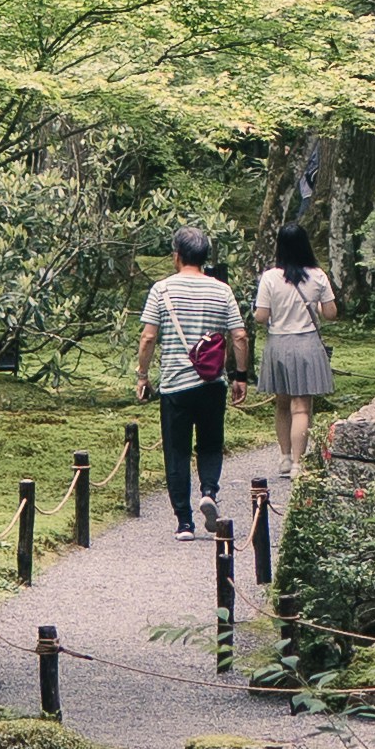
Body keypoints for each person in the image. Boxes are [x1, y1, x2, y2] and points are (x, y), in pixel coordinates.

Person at [136, 217, 247, 534]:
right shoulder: (222, 291)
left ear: (176, 255)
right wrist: (240, 376)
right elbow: (239, 336)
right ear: (205, 257)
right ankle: (209, 492)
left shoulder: (162, 290)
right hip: (212, 384)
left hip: (175, 384)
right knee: (211, 444)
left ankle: (184, 521)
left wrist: (143, 376)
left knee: (177, 451)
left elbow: (147, 338)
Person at [251, 222, 336, 479]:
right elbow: (331, 313)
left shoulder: (270, 277)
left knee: (282, 404)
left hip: (279, 344)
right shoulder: (318, 276)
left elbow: (261, 317)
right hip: (307, 343)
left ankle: (285, 458)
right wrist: (315, 308)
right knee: (302, 407)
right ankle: (299, 463)